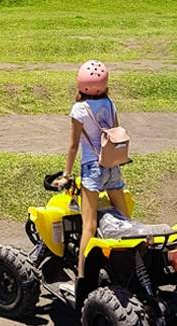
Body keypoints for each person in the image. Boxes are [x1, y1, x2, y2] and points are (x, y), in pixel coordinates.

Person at [55, 60, 129, 278]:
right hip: (113, 166)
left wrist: (66, 175)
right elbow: (115, 133)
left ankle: (81, 274)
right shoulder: (110, 104)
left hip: (92, 169)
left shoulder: (79, 109)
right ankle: (130, 264)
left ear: (80, 84)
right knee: (126, 219)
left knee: (89, 225)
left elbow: (73, 146)